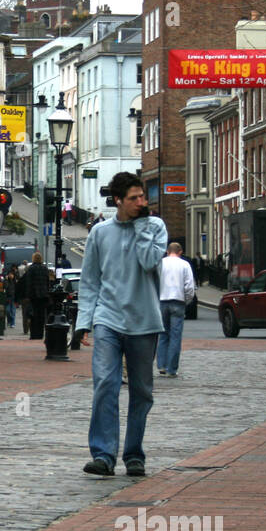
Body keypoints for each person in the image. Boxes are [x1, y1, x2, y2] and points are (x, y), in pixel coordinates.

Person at [74, 172, 168, 477]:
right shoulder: (100, 233)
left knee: (142, 391)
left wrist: (141, 225)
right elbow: (90, 281)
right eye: (133, 199)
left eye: (143, 197)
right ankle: (103, 454)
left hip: (144, 321)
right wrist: (84, 322)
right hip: (108, 319)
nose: (141, 202)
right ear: (118, 201)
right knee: (105, 384)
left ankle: (134, 453)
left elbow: (149, 262)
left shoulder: (156, 227)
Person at [156, 242, 196, 378]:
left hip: (162, 301)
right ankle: (171, 369)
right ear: (180, 252)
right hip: (178, 301)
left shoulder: (160, 263)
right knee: (175, 336)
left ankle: (161, 365)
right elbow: (190, 287)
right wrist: (186, 300)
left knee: (163, 334)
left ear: (167, 252)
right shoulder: (184, 265)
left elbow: (154, 282)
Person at [21, 251, 50, 340]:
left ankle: (34, 334)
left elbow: (28, 284)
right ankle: (40, 334)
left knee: (33, 315)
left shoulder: (31, 269)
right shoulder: (45, 268)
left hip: (34, 296)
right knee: (41, 316)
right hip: (43, 296)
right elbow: (47, 282)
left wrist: (27, 296)